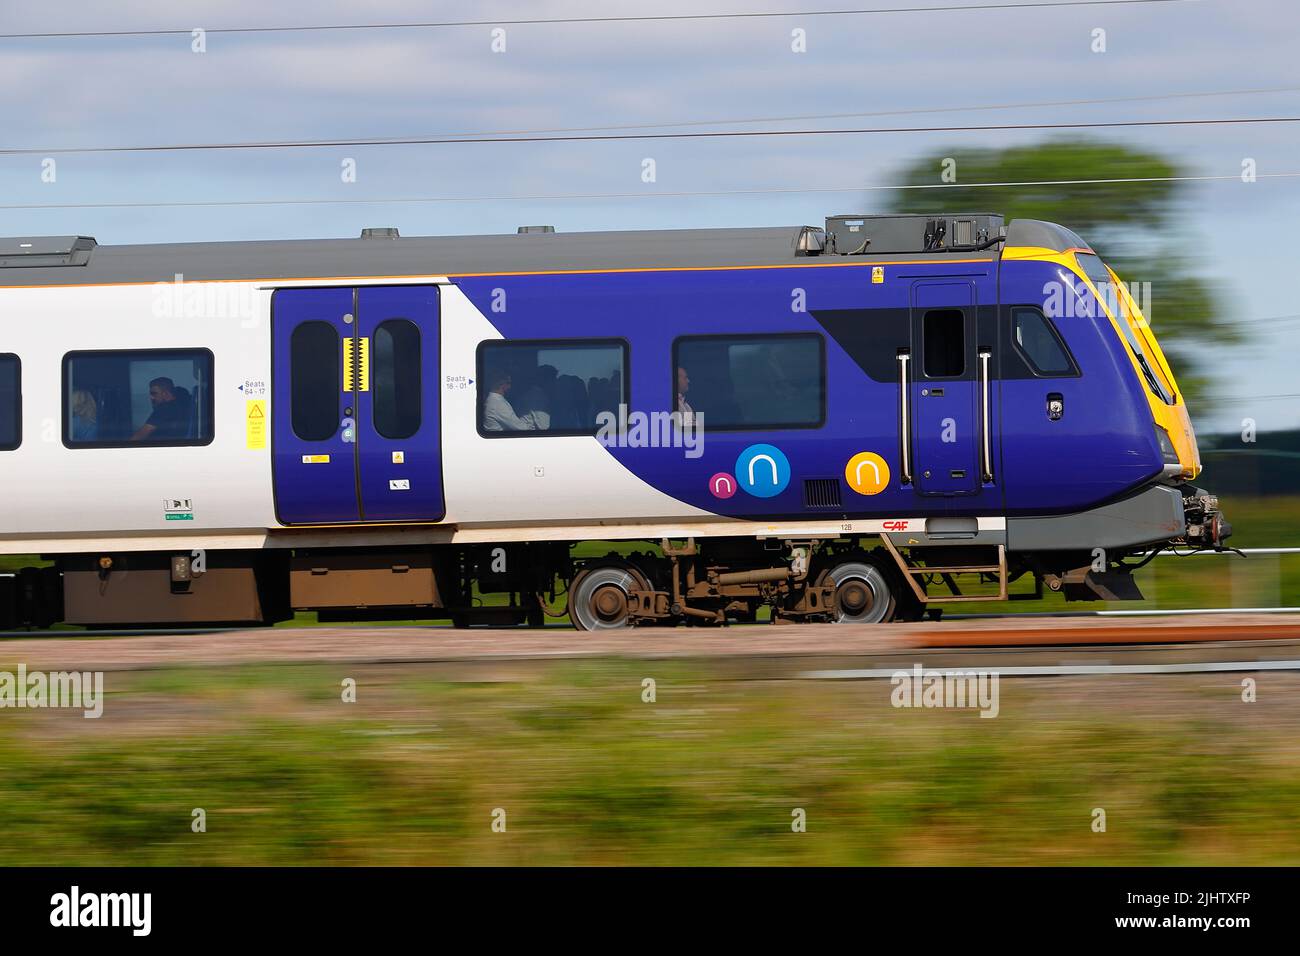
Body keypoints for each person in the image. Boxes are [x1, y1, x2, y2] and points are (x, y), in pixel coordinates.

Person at [131, 377, 193, 441]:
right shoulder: (186, 402)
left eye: (154, 394)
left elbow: (141, 435)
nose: (151, 397)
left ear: (165, 393)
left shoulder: (164, 410)